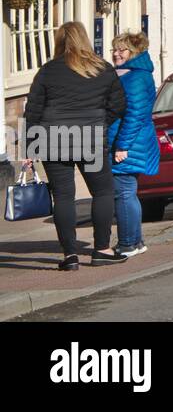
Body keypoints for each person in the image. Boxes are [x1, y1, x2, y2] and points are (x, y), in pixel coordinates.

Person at [21, 22, 127, 270]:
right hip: (90, 137)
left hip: (52, 138)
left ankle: (69, 256)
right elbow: (119, 105)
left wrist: (29, 147)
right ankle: (102, 249)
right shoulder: (102, 68)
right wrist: (100, 123)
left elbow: (33, 111)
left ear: (59, 42)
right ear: (85, 40)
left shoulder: (48, 71)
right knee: (102, 192)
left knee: (63, 197)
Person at [107, 31, 159, 258]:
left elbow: (135, 113)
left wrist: (122, 146)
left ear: (134, 52)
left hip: (130, 142)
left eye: (122, 49)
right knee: (127, 192)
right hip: (131, 140)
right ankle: (135, 241)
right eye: (115, 49)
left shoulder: (135, 76)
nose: (117, 53)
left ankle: (128, 244)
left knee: (123, 192)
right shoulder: (128, 73)